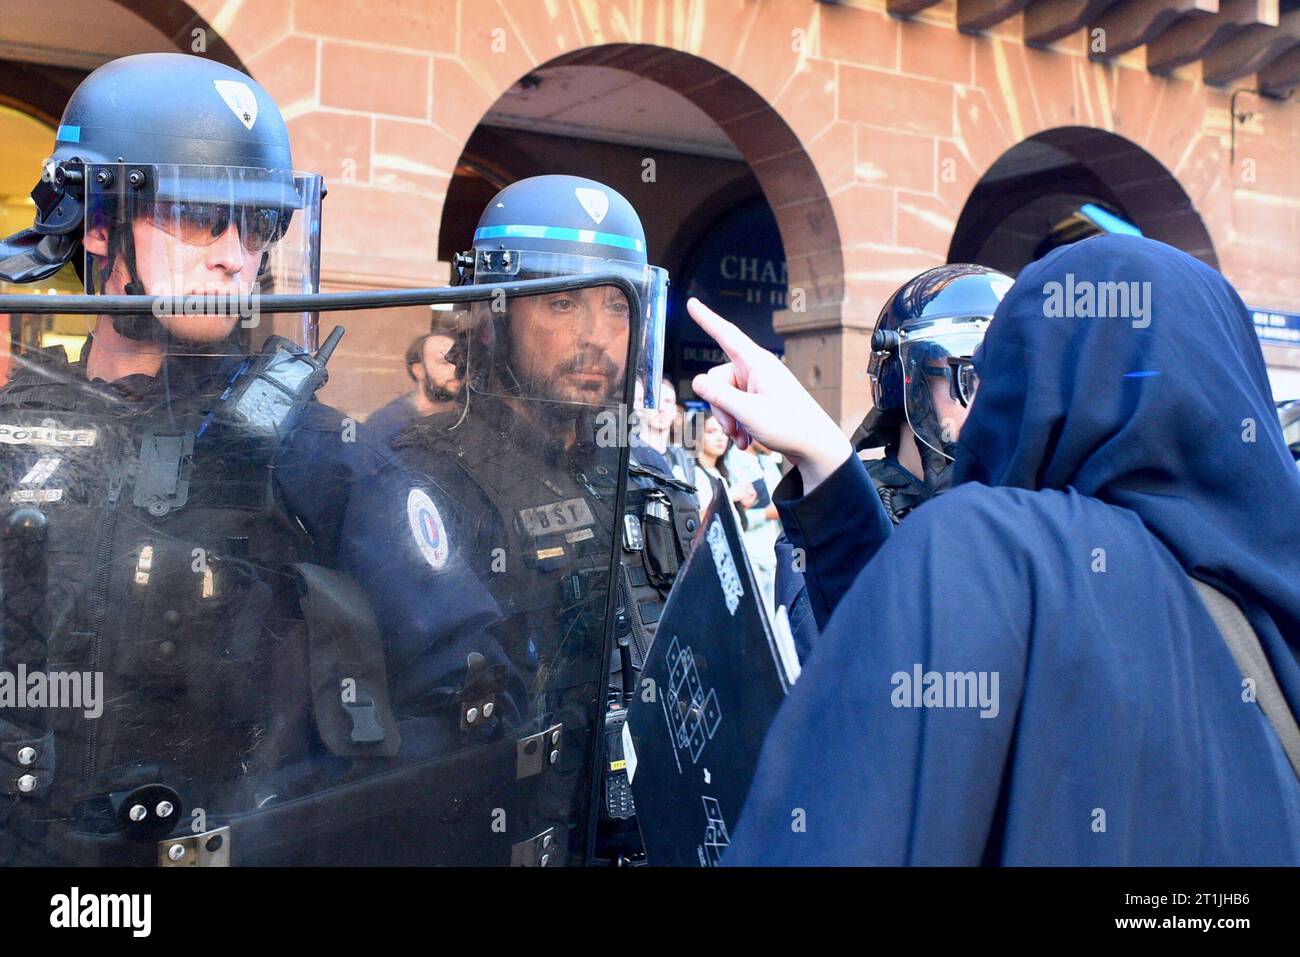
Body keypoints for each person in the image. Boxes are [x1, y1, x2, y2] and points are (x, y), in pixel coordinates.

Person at [687, 234, 1300, 864]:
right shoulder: (1263, 606)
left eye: (996, 371)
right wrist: (829, 466)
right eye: (963, 376)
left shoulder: (986, 549)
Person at [0, 53, 380, 866]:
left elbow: (443, 713)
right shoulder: (14, 427)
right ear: (98, 224)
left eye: (259, 225)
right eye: (205, 214)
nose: (236, 256)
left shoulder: (315, 453)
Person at [337, 174, 683, 865]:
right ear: (492, 316)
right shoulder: (419, 479)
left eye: (618, 308)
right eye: (562, 303)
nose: (598, 337)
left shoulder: (649, 478)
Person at [773, 265, 1010, 658]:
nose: (994, 404)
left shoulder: (1033, 508)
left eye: (1009, 382)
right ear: (908, 383)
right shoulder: (837, 516)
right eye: (968, 377)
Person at [364, 320, 465, 446]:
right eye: (444, 362)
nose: (456, 370)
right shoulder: (387, 424)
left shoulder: (467, 417)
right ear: (419, 370)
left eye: (458, 362)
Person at [631, 377, 692, 483]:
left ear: (675, 411)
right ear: (640, 409)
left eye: (668, 401)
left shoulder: (683, 457)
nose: (661, 408)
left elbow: (692, 498)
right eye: (654, 401)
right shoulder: (629, 455)